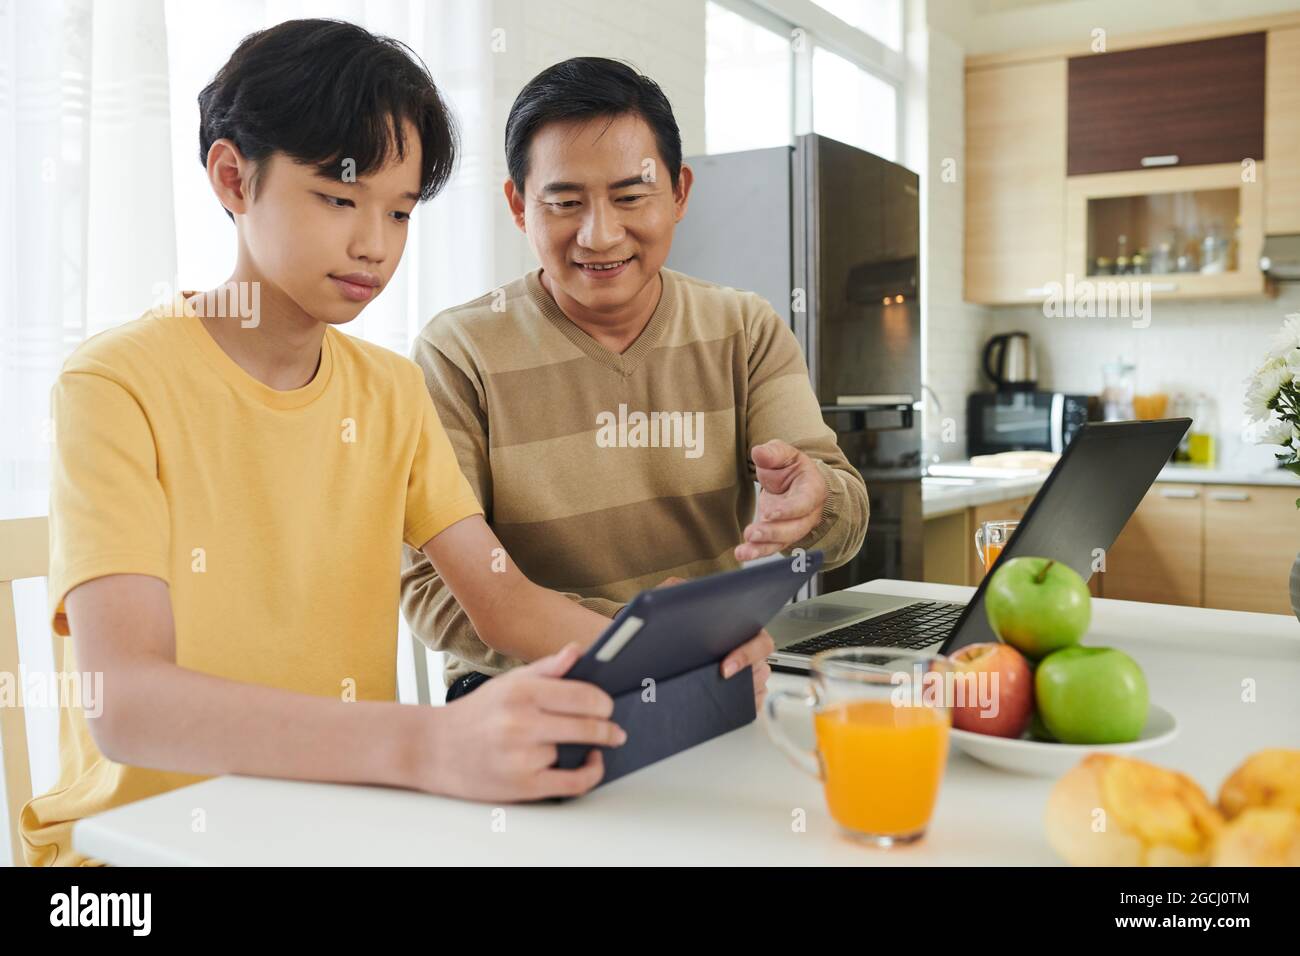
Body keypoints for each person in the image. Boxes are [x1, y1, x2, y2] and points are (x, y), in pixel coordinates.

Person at [401, 57, 870, 703]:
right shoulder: (459, 352)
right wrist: (637, 639)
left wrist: (817, 502)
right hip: (528, 692)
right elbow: (430, 589)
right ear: (518, 204)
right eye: (565, 202)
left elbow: (844, 524)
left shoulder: (744, 329)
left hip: (710, 679)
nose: (599, 235)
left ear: (678, 192)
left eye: (629, 196)